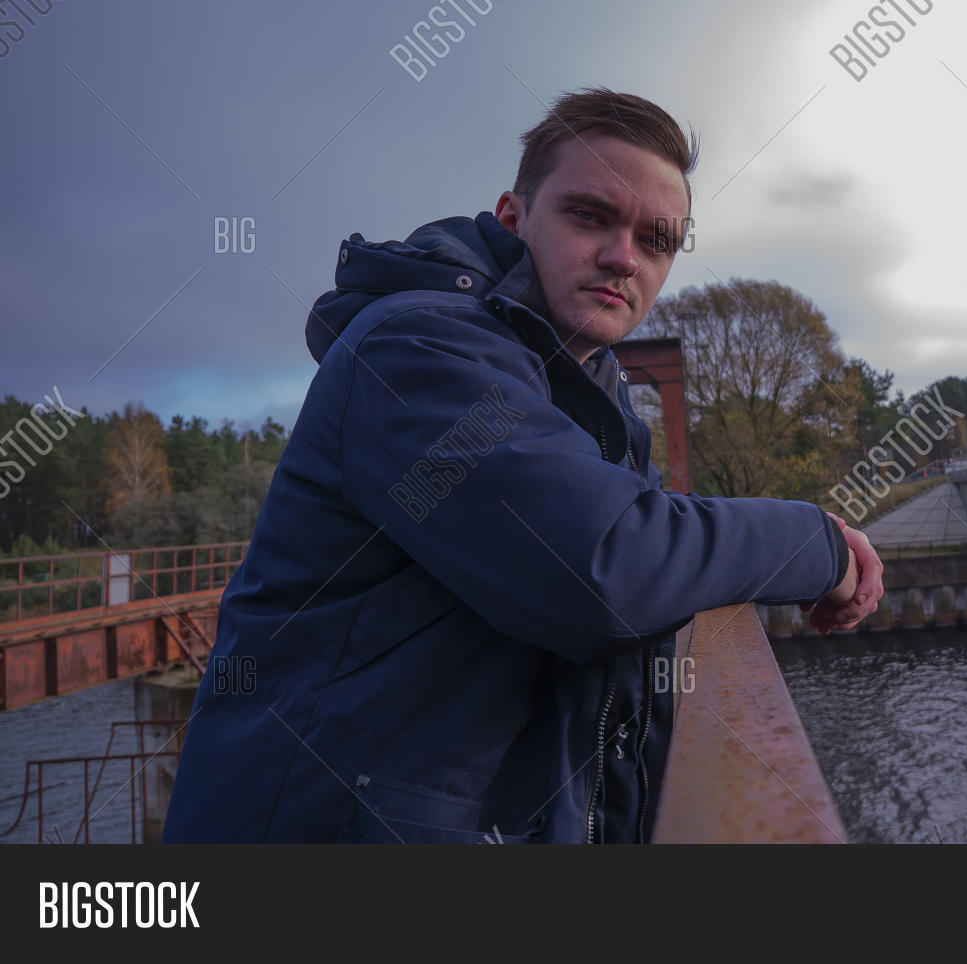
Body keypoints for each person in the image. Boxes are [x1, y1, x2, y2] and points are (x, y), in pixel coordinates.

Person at [162, 88, 884, 844]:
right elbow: (603, 569)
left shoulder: (583, 392)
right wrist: (817, 546)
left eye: (657, 240)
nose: (622, 257)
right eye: (589, 215)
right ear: (513, 217)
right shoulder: (417, 351)